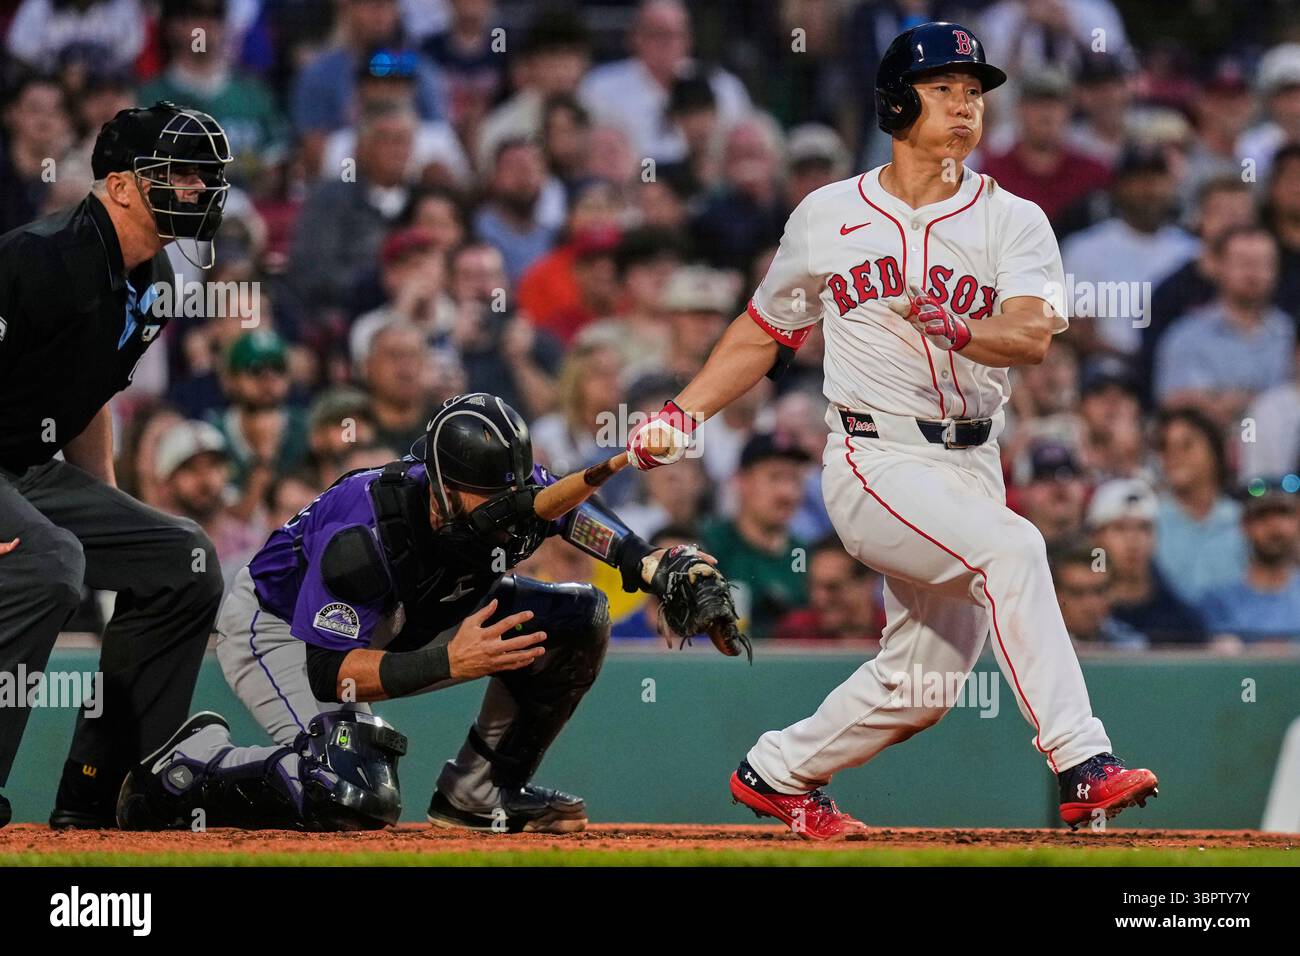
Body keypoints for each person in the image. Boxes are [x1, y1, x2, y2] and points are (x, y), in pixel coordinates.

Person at [626, 23, 1158, 839]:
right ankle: (1083, 762)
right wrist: (683, 412)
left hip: (972, 459)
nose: (964, 106)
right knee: (1011, 549)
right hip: (873, 455)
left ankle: (778, 771)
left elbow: (1032, 335)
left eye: (974, 92)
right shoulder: (828, 214)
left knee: (923, 687)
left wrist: (959, 328)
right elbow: (768, 329)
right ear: (897, 101)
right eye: (945, 88)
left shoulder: (1014, 219)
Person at [115, 393, 730, 832]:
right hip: (280, 628)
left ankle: (480, 791)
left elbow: (567, 511)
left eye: (509, 494)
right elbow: (333, 673)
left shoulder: (509, 488)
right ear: (436, 484)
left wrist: (647, 564)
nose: (502, 509)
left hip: (405, 611)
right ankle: (190, 769)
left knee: (576, 618)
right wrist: (450, 663)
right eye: (483, 497)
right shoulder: (364, 527)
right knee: (348, 791)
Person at [0, 103, 231, 829]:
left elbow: (90, 392)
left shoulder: (154, 277)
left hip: (29, 471)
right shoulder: (38, 260)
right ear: (122, 185)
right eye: (179, 173)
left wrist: (109, 515)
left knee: (182, 559)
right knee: (48, 562)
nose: (197, 189)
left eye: (205, 176)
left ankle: (105, 794)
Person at [1154, 226, 1294, 422]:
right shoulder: (1186, 336)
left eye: (1263, 263)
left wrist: (1222, 400)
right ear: (1217, 266)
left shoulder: (1291, 334)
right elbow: (1178, 406)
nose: (1253, 272)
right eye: (1243, 263)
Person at [699, 433, 811, 642]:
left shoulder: (804, 554)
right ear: (741, 482)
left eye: (794, 479)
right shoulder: (710, 544)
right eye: (775, 477)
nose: (787, 493)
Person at [1086, 479, 1205, 645]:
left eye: (1143, 528)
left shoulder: (1180, 619)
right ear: (1095, 539)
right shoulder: (1080, 612)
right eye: (1120, 528)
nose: (1133, 540)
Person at [1152, 408, 1248, 605]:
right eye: (1164, 447)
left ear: (1215, 451)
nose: (1173, 455)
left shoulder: (1244, 522)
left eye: (1186, 445)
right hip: (1166, 632)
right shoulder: (1148, 522)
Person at [155, 419, 265, 588]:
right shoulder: (155, 544)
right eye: (190, 469)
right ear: (167, 482)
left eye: (213, 466)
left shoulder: (246, 539)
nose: (205, 479)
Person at [1198, 481, 1300, 646]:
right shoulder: (1219, 602)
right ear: (1244, 526)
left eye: (1284, 514)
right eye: (1262, 516)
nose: (1274, 526)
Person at [773, 535, 884, 643]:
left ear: (868, 584)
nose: (818, 598)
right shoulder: (795, 632)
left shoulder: (895, 634)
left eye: (833, 587)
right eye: (812, 586)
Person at [1049, 542, 1148, 651]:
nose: (1090, 604)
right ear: (1055, 595)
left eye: (1099, 591)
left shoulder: (1132, 647)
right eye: (1077, 593)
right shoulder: (1039, 647)